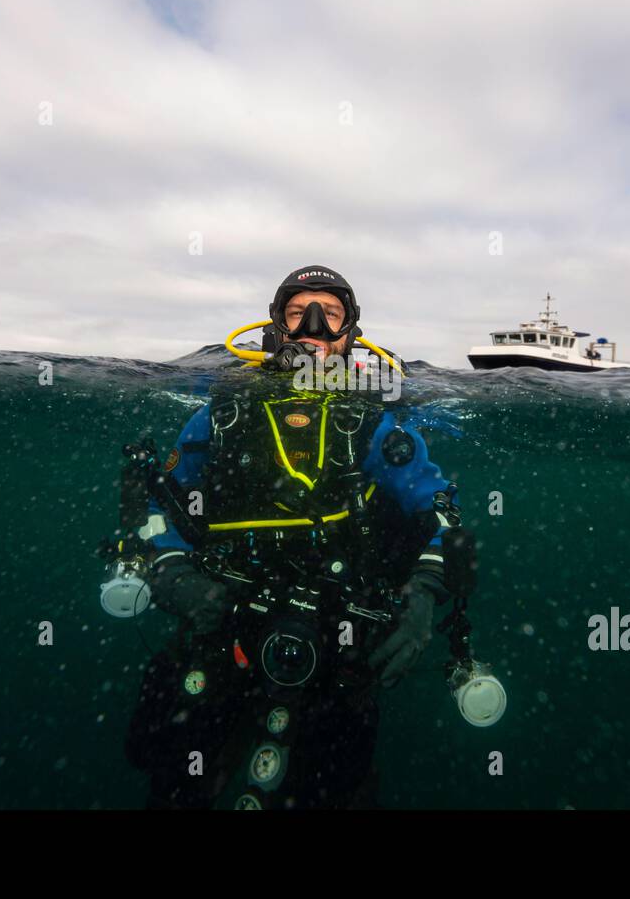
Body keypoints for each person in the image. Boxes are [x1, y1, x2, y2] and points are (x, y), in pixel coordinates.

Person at [120, 265, 460, 809]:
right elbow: (161, 508)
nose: (315, 327)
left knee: (333, 791)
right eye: (300, 312)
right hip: (222, 627)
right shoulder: (222, 415)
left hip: (340, 639)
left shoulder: (375, 423)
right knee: (175, 778)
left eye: (331, 314)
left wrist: (422, 594)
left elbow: (441, 515)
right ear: (275, 324)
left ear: (351, 331)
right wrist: (173, 573)